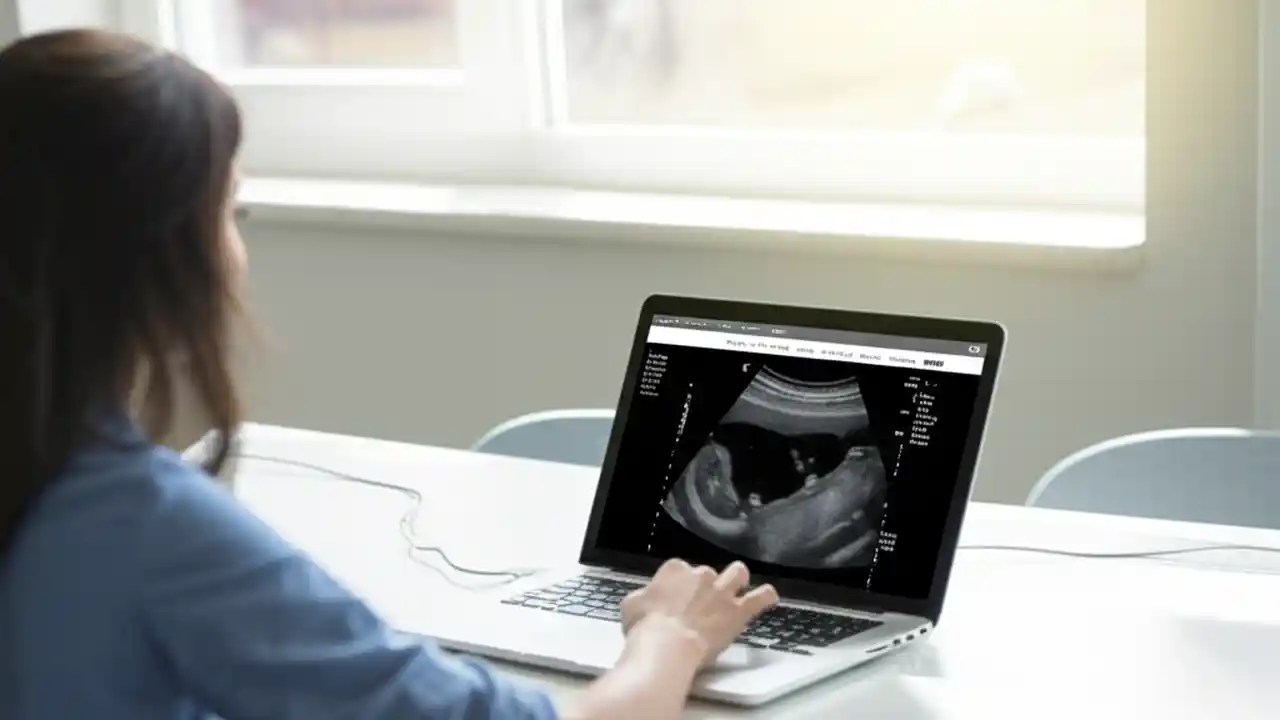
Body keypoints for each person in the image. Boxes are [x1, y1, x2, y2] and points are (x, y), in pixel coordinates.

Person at [0, 30, 778, 720]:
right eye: (230, 214)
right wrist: (669, 637)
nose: (237, 252)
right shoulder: (151, 527)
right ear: (164, 256)